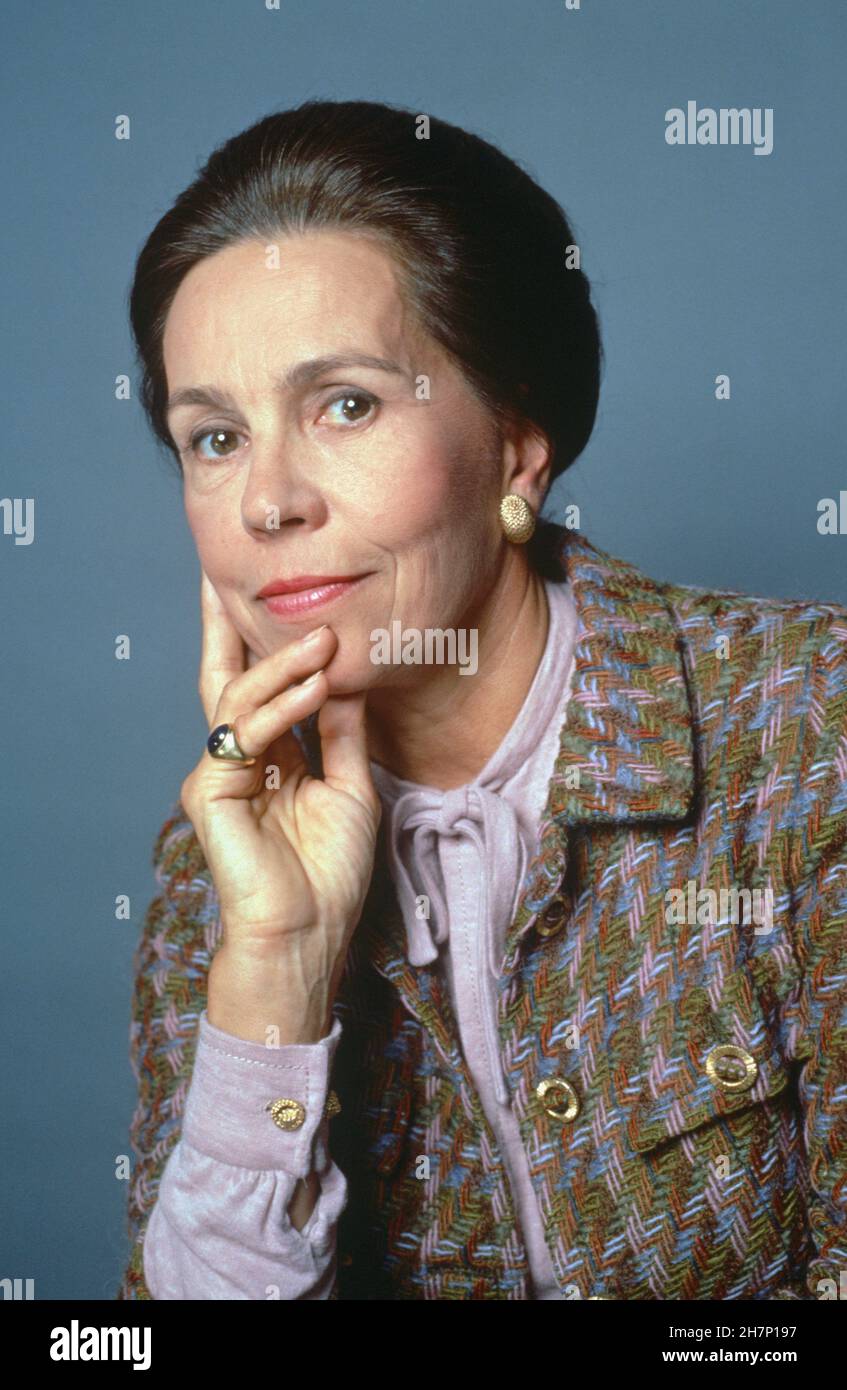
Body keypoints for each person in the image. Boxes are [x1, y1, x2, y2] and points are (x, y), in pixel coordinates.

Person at [118, 98, 846, 1301]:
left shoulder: (812, 728)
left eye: (345, 404)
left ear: (515, 448)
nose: (267, 502)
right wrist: (282, 971)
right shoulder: (218, 871)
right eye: (213, 437)